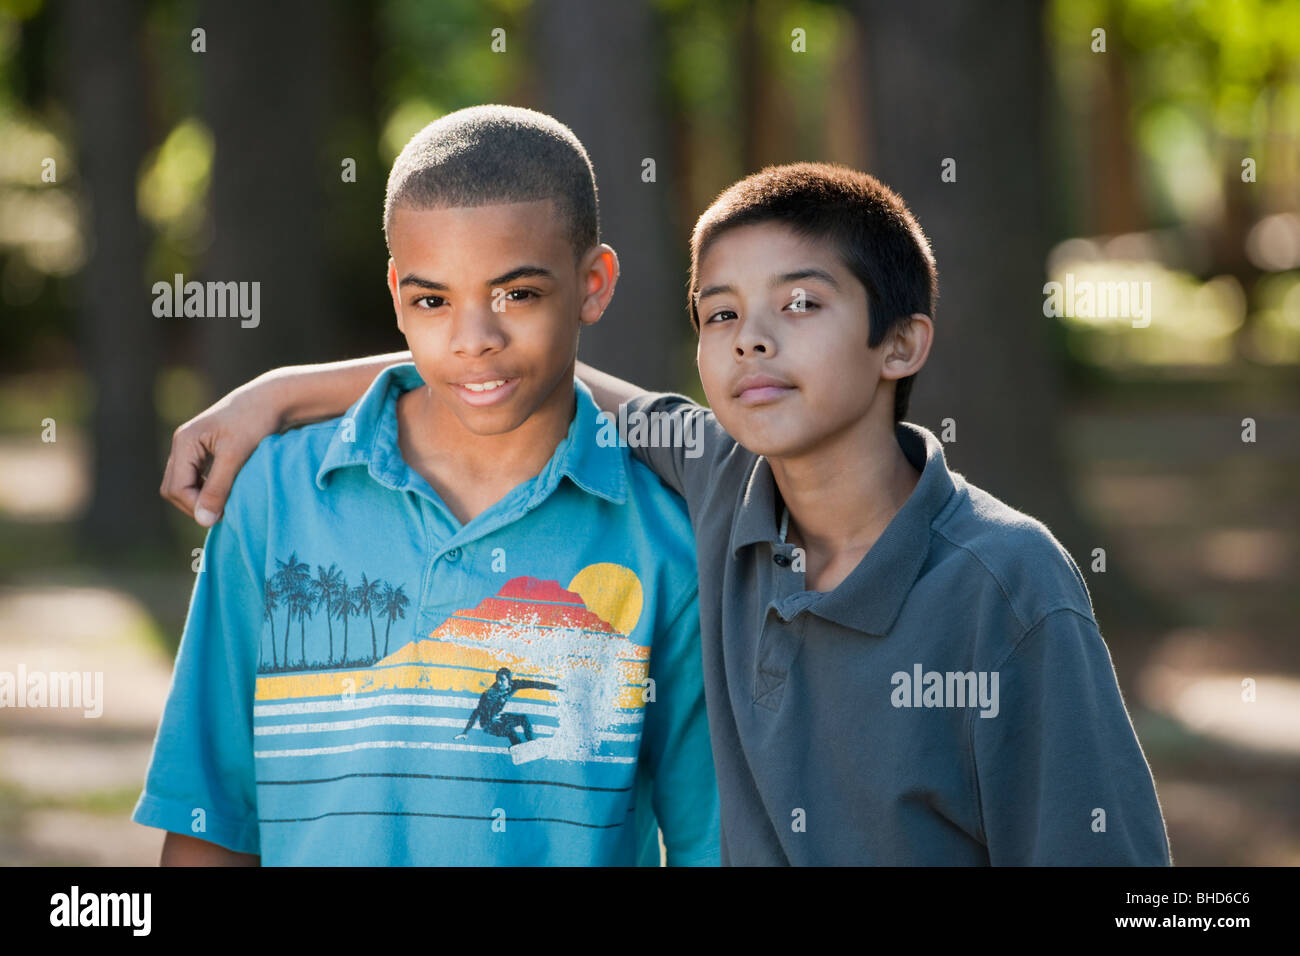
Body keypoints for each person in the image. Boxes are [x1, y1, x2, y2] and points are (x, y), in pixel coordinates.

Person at [163, 157, 1172, 865]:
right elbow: (507, 362)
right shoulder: (718, 488)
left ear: (901, 343)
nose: (751, 340)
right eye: (721, 313)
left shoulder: (1006, 581)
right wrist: (280, 392)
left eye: (802, 304)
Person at [132, 105, 720, 866]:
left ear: (593, 284)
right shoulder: (275, 497)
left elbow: (710, 841)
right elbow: (211, 820)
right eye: (433, 301)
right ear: (396, 293)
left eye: (518, 294)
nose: (474, 339)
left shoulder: (667, 538)